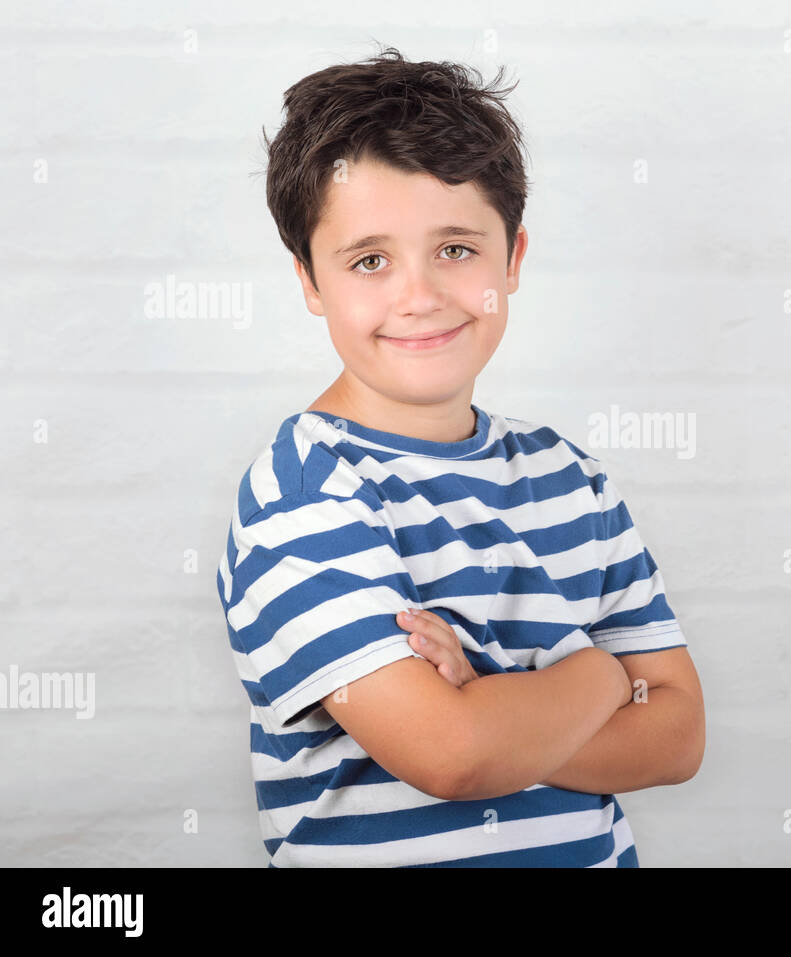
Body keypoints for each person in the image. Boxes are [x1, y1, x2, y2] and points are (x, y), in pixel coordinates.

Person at [215, 46, 704, 866]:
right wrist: (599, 680)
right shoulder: (302, 495)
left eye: (455, 249)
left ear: (511, 260)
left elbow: (679, 733)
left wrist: (489, 699)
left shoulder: (570, 478)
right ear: (310, 281)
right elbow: (453, 754)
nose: (419, 295)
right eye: (370, 260)